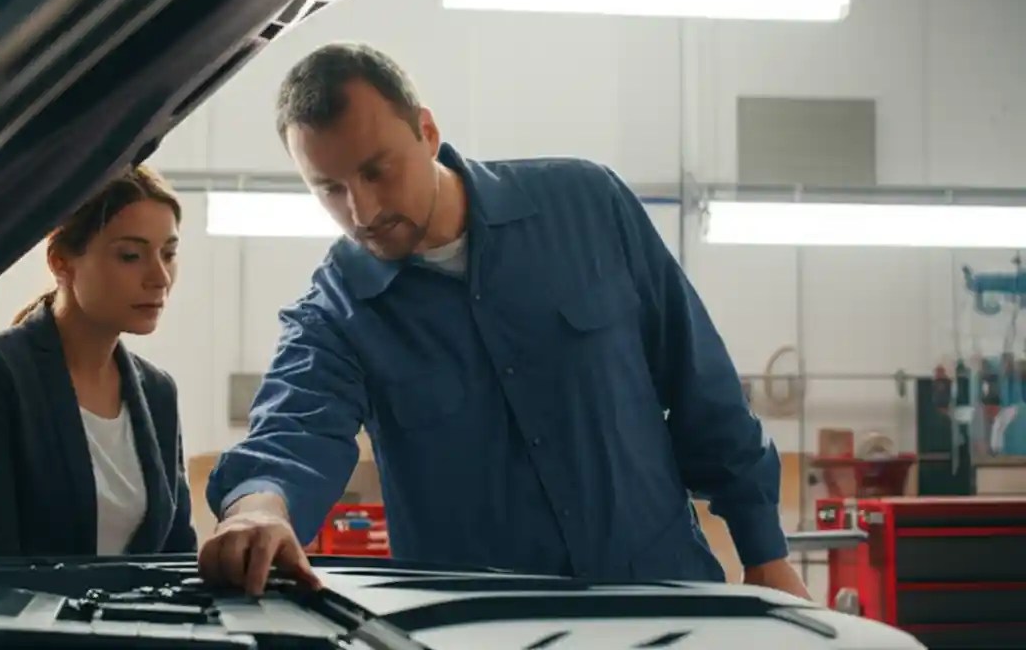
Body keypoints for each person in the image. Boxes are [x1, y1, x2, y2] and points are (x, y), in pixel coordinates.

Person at [198, 42, 811, 600]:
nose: (362, 210)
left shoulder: (588, 208)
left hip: (662, 600)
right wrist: (258, 509)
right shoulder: (337, 312)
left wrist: (766, 552)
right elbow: (290, 431)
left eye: (376, 171)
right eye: (329, 189)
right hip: (482, 631)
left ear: (427, 130)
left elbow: (700, 381)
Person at [0, 164, 196, 558]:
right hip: (29, 619)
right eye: (130, 255)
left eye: (169, 254)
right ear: (61, 262)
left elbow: (176, 553)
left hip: (140, 621)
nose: (159, 277)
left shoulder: (158, 391)